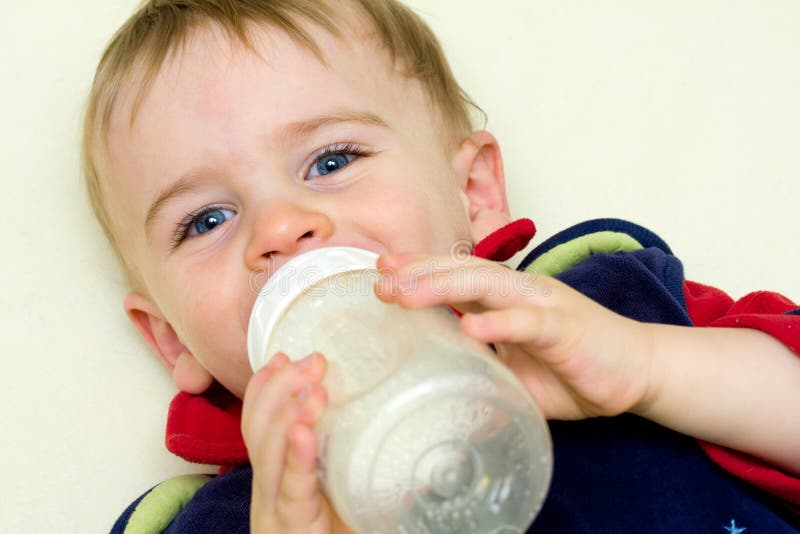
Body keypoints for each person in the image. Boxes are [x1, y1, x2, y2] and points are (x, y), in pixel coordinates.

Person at [81, 0, 800, 532]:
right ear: (171, 338)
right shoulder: (220, 521)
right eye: (206, 219)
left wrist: (651, 370)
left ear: (472, 192)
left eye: (332, 161)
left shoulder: (616, 308)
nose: (279, 228)